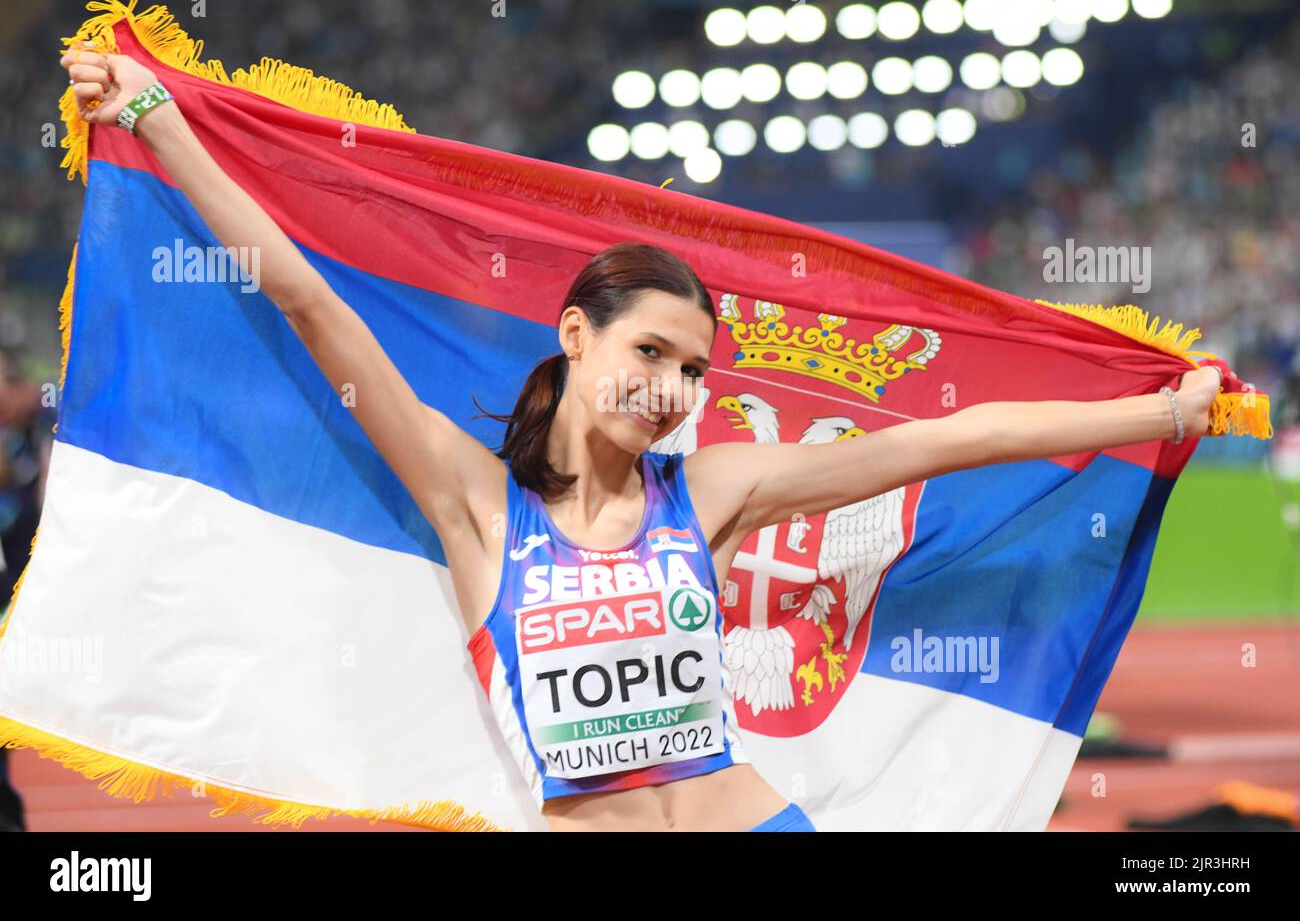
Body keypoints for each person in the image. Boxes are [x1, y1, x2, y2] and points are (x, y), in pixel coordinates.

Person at [60, 43, 1229, 833]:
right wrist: (154, 117)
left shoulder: (711, 490)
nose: (673, 387)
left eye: (696, 369)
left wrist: (1157, 412)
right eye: (650, 354)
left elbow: (948, 439)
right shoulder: (476, 504)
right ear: (576, 334)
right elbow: (313, 304)